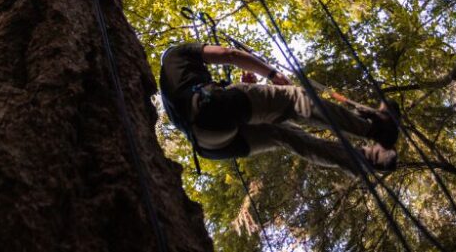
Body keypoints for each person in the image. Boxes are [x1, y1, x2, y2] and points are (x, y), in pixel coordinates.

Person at [159, 43, 400, 175]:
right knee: (295, 99)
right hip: (213, 108)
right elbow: (228, 54)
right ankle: (376, 128)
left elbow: (214, 114)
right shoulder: (179, 52)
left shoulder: (169, 87)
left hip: (209, 144)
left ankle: (366, 160)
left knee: (286, 135)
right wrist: (272, 74)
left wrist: (243, 95)